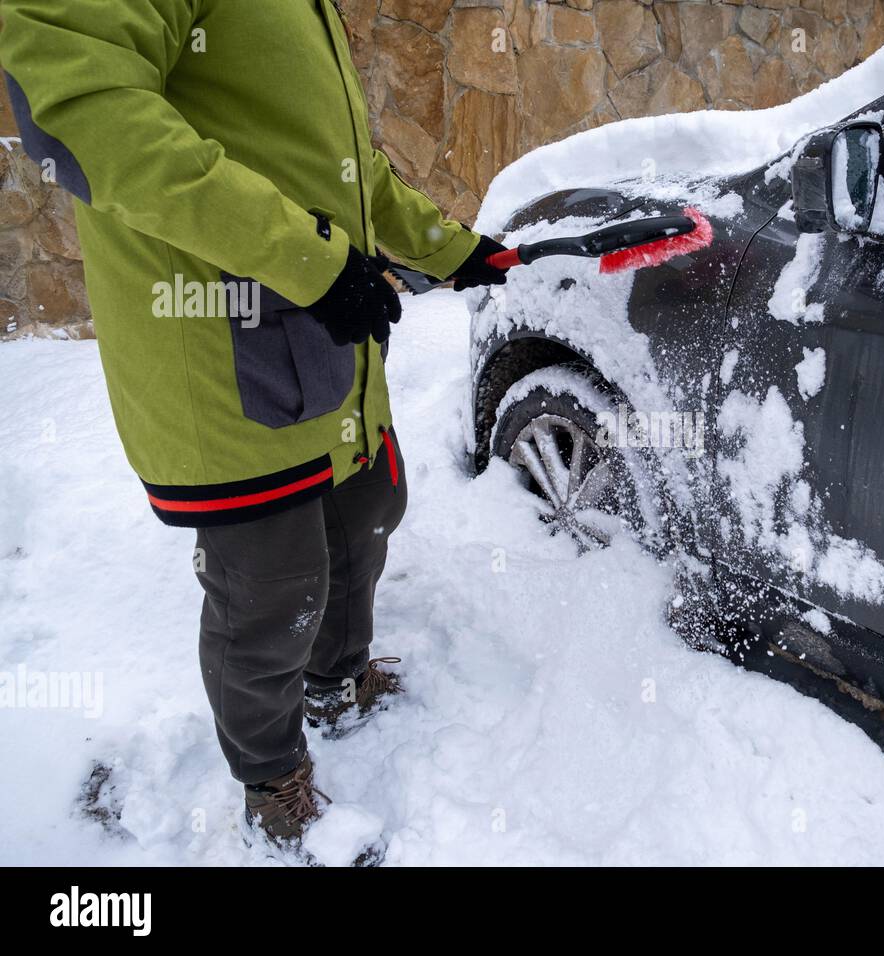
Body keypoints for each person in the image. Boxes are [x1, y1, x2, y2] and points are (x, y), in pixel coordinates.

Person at [0, 0, 509, 850]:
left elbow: (348, 175)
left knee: (367, 514)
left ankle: (337, 682)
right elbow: (91, 120)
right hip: (213, 345)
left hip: (322, 334)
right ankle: (271, 778)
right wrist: (311, 260)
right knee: (271, 586)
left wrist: (453, 249)